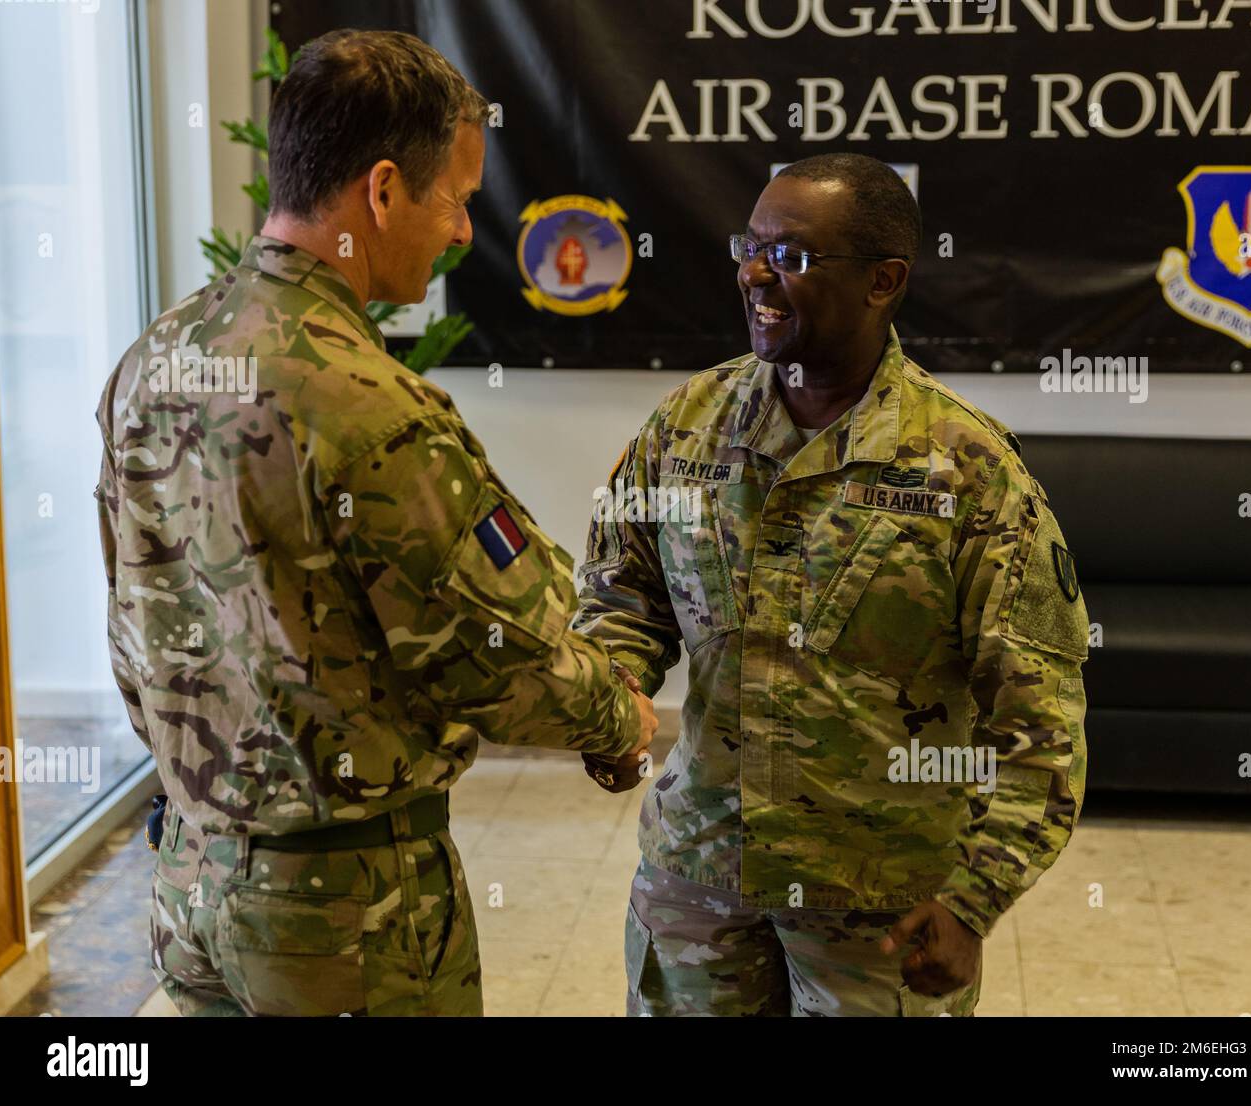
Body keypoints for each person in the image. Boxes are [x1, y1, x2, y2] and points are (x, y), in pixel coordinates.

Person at [94, 29, 656, 1017]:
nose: (457, 231)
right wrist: (621, 718)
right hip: (347, 909)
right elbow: (501, 651)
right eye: (456, 199)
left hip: (190, 876)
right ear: (385, 189)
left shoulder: (157, 354)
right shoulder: (367, 406)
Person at [575, 153, 1088, 1017]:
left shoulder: (970, 471)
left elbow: (1041, 723)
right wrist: (611, 692)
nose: (754, 272)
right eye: (751, 246)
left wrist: (974, 902)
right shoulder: (684, 427)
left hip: (878, 905)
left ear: (884, 281)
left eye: (792, 257)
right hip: (700, 881)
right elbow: (625, 592)